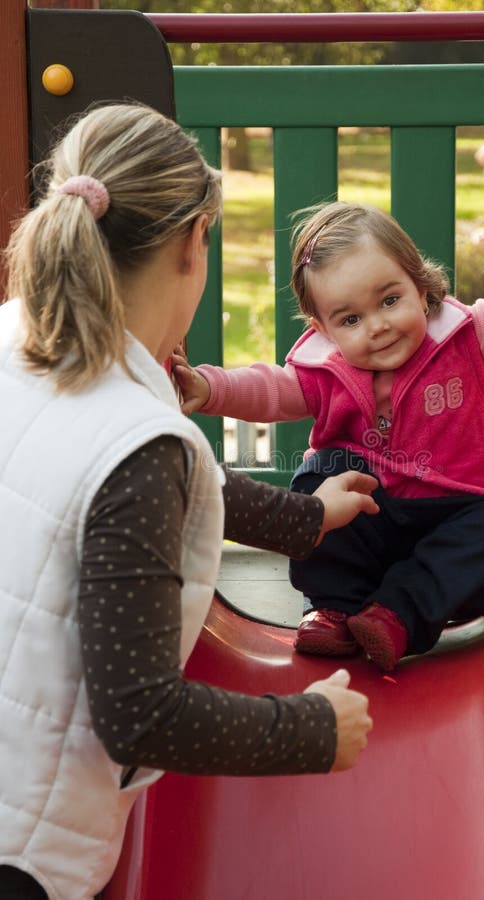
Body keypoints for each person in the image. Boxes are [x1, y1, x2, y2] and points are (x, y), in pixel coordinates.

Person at [0, 105, 377, 900]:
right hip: (25, 852)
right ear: (191, 241)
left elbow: (160, 487)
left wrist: (306, 518)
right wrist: (309, 730)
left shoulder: (18, 339)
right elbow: (137, 714)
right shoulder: (136, 446)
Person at [173, 201, 484, 675]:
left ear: (421, 289)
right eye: (351, 320)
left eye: (389, 301)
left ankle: (396, 616)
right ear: (324, 330)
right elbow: (271, 390)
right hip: (370, 511)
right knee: (320, 475)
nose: (377, 326)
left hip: (459, 513)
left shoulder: (467, 339)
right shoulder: (327, 371)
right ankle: (334, 608)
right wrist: (210, 387)